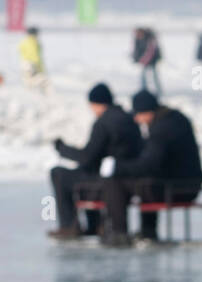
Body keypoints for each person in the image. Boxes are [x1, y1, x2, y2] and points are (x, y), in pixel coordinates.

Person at [103, 90, 202, 245]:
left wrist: (118, 167)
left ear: (147, 111)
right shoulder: (176, 118)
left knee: (118, 182)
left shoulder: (160, 129)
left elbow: (148, 164)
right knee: (147, 181)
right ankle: (147, 230)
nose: (136, 119)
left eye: (138, 114)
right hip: (191, 185)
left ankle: (119, 232)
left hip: (176, 189)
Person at [48, 83, 143, 240]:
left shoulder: (103, 123)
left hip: (106, 182)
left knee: (58, 173)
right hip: (125, 178)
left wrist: (63, 149)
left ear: (96, 103)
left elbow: (88, 157)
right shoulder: (129, 118)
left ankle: (69, 225)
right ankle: (95, 224)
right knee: (86, 171)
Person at [133, 27, 163, 96]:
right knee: (143, 76)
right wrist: (137, 58)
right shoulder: (137, 39)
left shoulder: (149, 39)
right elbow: (136, 50)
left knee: (154, 76)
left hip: (152, 60)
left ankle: (159, 91)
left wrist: (144, 60)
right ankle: (144, 91)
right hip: (144, 61)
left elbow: (151, 51)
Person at [18, 27, 48, 92]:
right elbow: (36, 56)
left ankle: (29, 94)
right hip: (33, 65)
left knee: (28, 82)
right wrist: (41, 68)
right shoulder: (35, 43)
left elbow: (21, 52)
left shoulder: (24, 42)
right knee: (43, 81)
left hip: (24, 64)